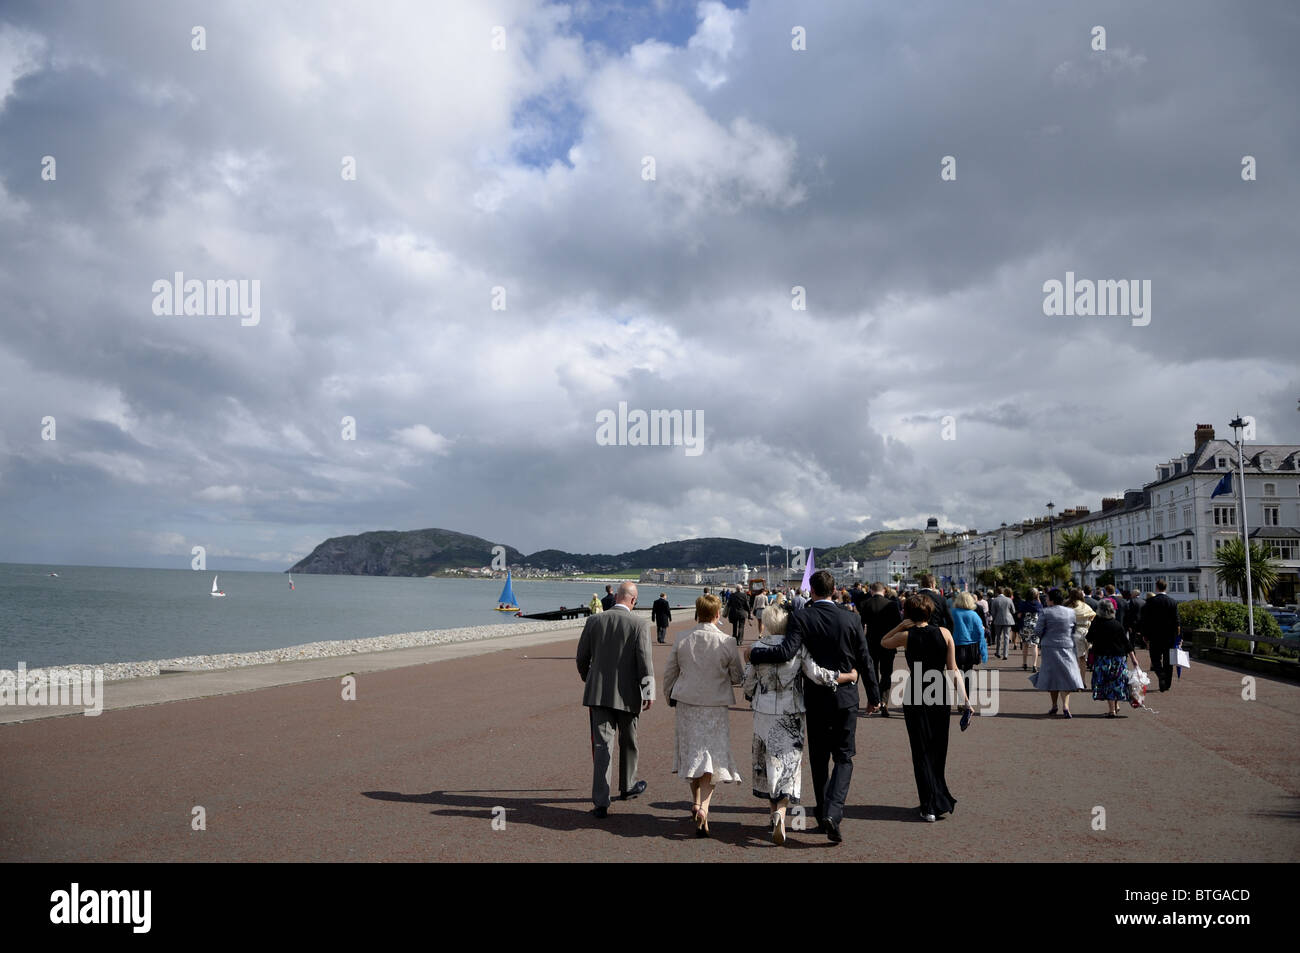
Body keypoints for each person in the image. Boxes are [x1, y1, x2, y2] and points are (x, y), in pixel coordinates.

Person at [744, 570, 879, 844]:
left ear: (812, 591)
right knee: (844, 756)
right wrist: (874, 695)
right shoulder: (851, 618)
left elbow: (785, 652)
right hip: (846, 697)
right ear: (834, 590)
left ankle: (821, 815)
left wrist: (754, 652)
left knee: (818, 758)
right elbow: (864, 658)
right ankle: (833, 810)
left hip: (816, 699)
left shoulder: (802, 617)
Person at [881, 593, 971, 821]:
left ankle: (928, 804)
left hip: (916, 690)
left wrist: (901, 625)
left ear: (908, 613)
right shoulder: (945, 633)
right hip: (939, 690)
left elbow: (883, 642)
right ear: (930, 612)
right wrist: (965, 699)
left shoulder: (906, 635)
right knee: (938, 747)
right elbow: (954, 669)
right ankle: (938, 798)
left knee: (920, 750)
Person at [662, 594, 745, 837]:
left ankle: (697, 802)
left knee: (693, 756)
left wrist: (669, 697)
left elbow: (669, 673)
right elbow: (738, 677)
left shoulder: (682, 638)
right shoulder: (727, 641)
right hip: (715, 706)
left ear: (697, 613)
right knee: (711, 757)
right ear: (718, 614)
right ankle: (704, 808)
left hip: (687, 704)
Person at [575, 582, 655, 817]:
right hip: (629, 694)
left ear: (616, 597)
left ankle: (601, 800)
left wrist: (587, 678)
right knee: (629, 742)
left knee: (602, 746)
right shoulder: (639, 623)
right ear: (633, 600)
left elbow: (582, 656)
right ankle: (628, 785)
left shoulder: (594, 621)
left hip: (598, 693)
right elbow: (645, 661)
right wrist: (648, 692)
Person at [1030, 588, 1085, 717]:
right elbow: (1073, 629)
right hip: (1067, 646)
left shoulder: (1046, 612)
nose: (1046, 600)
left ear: (1052, 600)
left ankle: (1054, 705)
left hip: (1049, 647)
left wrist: (1045, 636)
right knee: (1067, 675)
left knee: (1052, 677)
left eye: (1048, 598)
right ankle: (1065, 706)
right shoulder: (1071, 612)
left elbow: (1038, 630)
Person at [1086, 599, 1140, 717]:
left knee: (1106, 683)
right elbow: (1127, 643)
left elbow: (1089, 637)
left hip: (1102, 659)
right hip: (1118, 659)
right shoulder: (1117, 624)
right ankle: (1115, 706)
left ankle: (1112, 710)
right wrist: (1133, 659)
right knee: (1116, 682)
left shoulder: (1096, 623)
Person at [858, 583, 902, 717]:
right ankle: (884, 702)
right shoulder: (892, 605)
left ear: (871, 591)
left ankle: (874, 700)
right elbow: (898, 624)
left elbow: (860, 625)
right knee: (886, 673)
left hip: (871, 643)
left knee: (873, 673)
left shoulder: (865, 604)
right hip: (888, 643)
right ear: (884, 591)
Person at [1140, 579, 1180, 692]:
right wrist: (1178, 637)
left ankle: (1160, 673)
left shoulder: (1150, 602)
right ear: (1165, 588)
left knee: (1155, 658)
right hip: (1170, 637)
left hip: (1154, 636)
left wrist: (1145, 635)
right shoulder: (1172, 602)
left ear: (1156, 587)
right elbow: (1177, 622)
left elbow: (1145, 621)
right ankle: (1167, 684)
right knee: (1168, 661)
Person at [949, 592, 987, 710]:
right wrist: (982, 649)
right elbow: (981, 633)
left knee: (957, 672)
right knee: (968, 673)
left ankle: (961, 699)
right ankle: (966, 700)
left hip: (956, 646)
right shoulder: (974, 615)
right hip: (971, 646)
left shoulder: (952, 613)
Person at [1066, 588, 1097, 679]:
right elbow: (1092, 617)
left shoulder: (1068, 607)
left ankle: (1073, 680)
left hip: (1071, 633)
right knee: (1082, 658)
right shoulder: (1085, 606)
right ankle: (1082, 680)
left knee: (1072, 659)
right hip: (1084, 632)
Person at [1016, 588, 1043, 672]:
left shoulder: (1023, 604)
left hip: (1025, 627)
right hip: (1036, 627)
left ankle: (1024, 663)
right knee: (1034, 645)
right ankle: (1034, 665)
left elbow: (1019, 615)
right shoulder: (1038, 604)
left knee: (1025, 645)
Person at [990, 587, 1017, 660]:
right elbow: (1013, 611)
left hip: (998, 620)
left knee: (998, 636)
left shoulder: (995, 600)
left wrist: (995, 618)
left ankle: (998, 652)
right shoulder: (1009, 600)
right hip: (1008, 620)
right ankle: (1005, 654)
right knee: (1006, 636)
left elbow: (993, 612)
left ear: (996, 592)